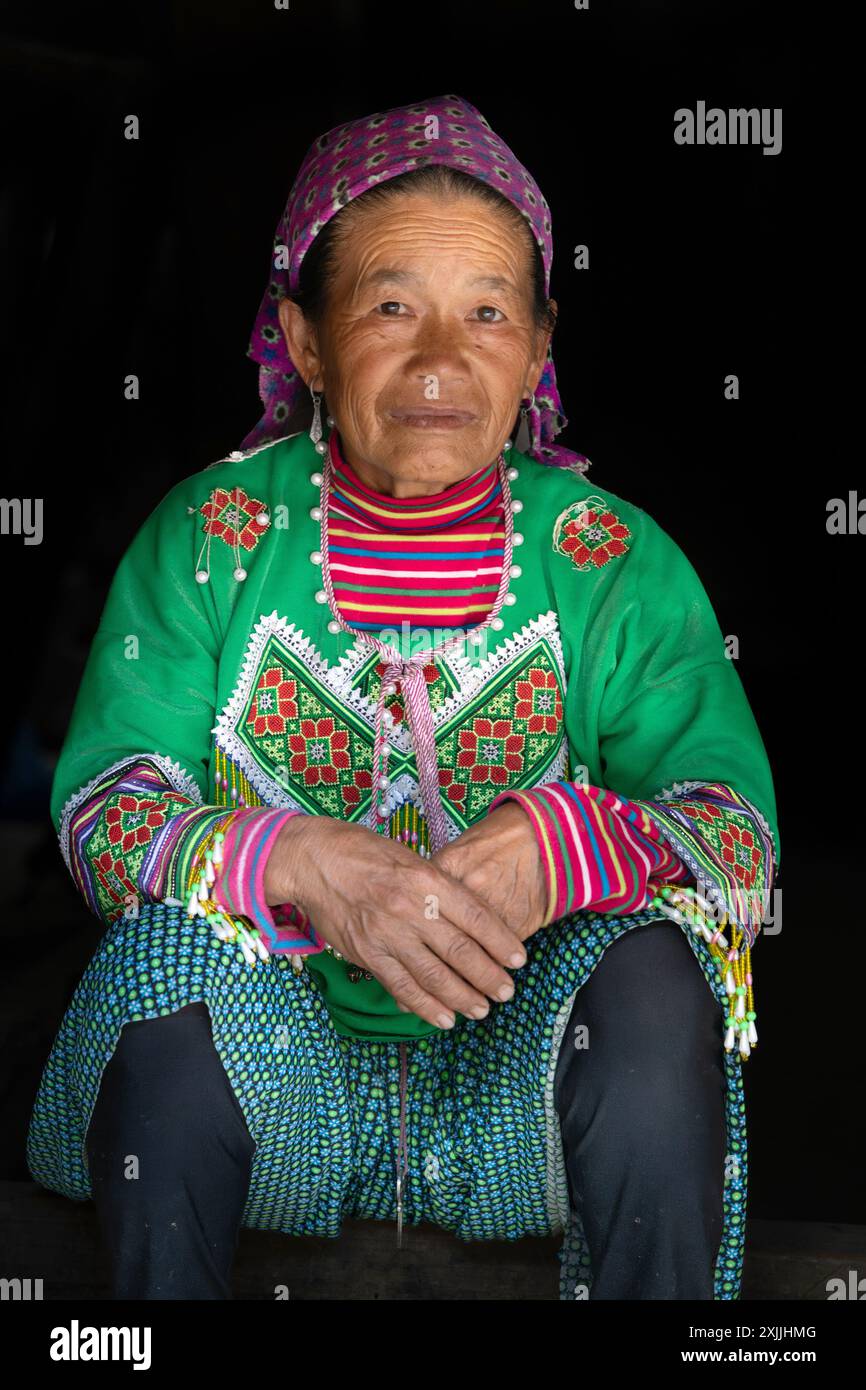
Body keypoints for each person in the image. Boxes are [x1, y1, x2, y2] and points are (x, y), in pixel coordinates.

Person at [26, 93, 778, 1301]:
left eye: (487, 313)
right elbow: (106, 813)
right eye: (389, 307)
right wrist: (294, 859)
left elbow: (736, 842)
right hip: (274, 1101)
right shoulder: (208, 539)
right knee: (160, 958)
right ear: (306, 338)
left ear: (538, 348)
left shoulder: (611, 560)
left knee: (655, 975)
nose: (440, 359)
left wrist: (567, 842)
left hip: (519, 1109)